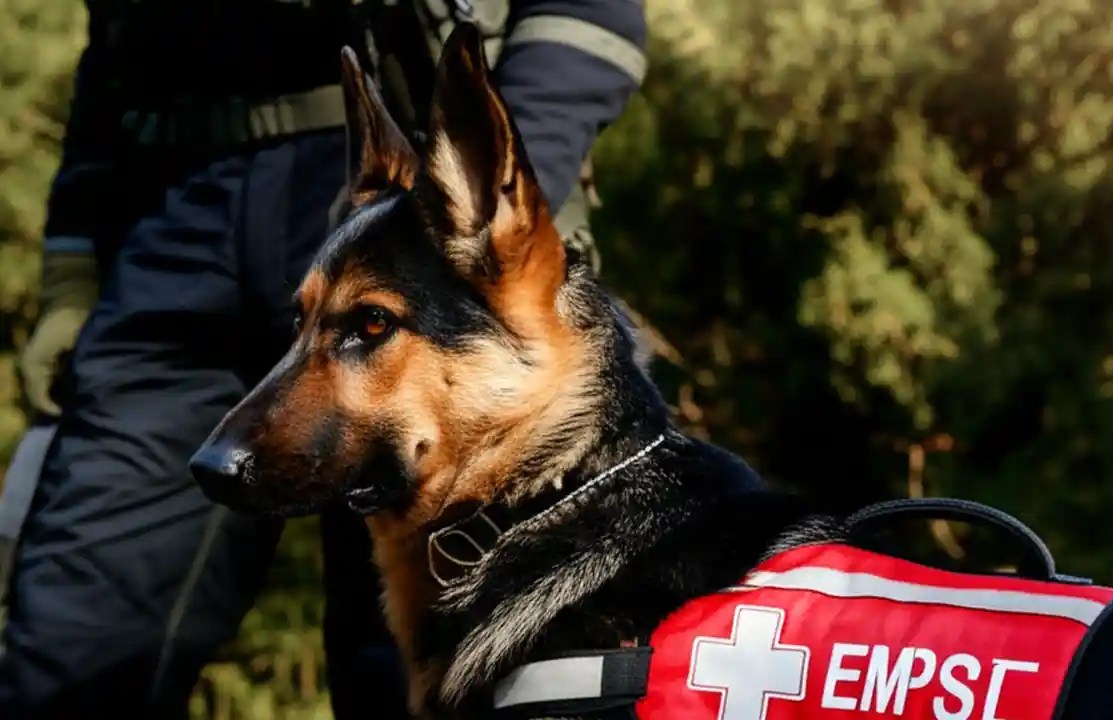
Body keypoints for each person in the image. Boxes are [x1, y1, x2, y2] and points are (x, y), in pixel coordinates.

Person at [0, 1, 646, 717]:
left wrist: (486, 206)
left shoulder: (469, 216)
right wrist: (70, 266)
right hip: (177, 210)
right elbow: (109, 53)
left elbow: (589, 14)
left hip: (414, 204)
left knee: (416, 670)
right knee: (69, 654)